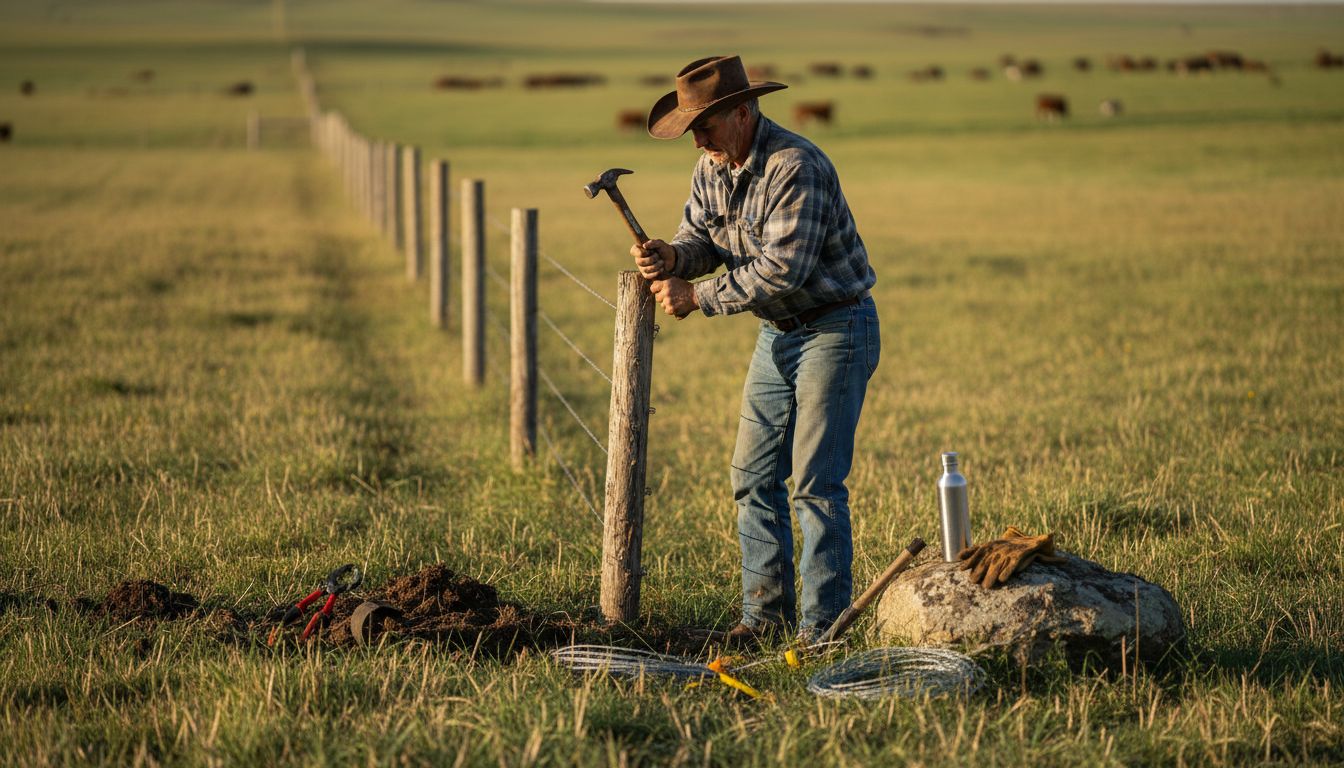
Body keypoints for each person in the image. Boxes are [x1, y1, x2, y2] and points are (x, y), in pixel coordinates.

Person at [631, 55, 879, 646]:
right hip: (778, 333)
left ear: (741, 112)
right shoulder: (711, 168)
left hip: (834, 328)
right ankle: (762, 622)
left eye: (706, 125)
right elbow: (702, 238)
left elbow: (783, 270)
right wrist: (673, 257)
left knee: (815, 483)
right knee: (751, 475)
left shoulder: (798, 166)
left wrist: (697, 295)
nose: (697, 139)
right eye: (691, 128)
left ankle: (823, 631)